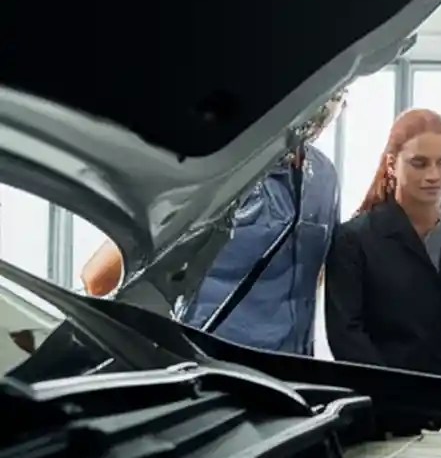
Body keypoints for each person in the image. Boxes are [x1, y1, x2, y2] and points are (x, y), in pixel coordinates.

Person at [80, 90, 344, 356]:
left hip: (290, 377)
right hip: (210, 368)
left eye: (340, 94)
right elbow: (98, 278)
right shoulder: (217, 174)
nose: (332, 106)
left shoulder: (323, 176)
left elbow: (316, 273)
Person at [324, 109, 441, 379]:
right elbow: (346, 333)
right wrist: (396, 395)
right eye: (419, 163)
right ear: (392, 164)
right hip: (381, 401)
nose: (434, 175)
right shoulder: (354, 241)